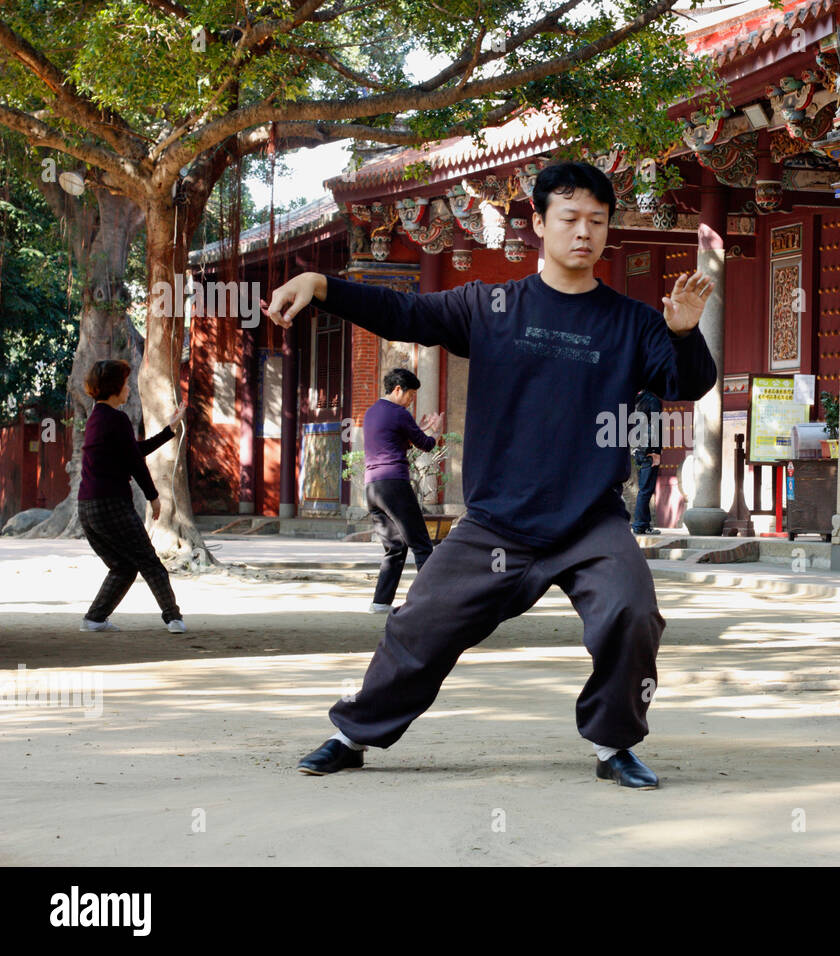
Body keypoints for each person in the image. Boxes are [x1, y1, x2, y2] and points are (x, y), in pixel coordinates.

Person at [262, 160, 716, 789]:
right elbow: (404, 314)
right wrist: (321, 283)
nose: (584, 232)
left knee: (631, 611)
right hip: (498, 523)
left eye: (597, 221)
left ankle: (614, 744)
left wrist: (684, 332)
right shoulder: (490, 305)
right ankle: (353, 733)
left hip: (591, 524)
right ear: (538, 223)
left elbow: (685, 382)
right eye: (570, 218)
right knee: (419, 622)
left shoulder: (631, 323)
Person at [76, 359, 187, 633]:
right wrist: (153, 497)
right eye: (126, 383)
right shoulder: (117, 418)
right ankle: (173, 618)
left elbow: (132, 452)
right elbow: (136, 464)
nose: (129, 389)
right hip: (111, 504)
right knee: (149, 561)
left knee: (123, 566)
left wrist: (169, 431)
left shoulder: (96, 418)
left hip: (87, 508)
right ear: (115, 387)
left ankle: (95, 619)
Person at [363, 367, 445, 613]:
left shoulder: (371, 412)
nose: (411, 400)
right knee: (421, 543)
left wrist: (415, 430)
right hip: (394, 483)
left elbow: (393, 443)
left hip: (371, 488)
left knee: (395, 546)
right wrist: (435, 431)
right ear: (397, 389)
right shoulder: (399, 413)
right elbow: (426, 446)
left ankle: (380, 603)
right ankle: (432, 601)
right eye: (410, 395)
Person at [630, 388, 662, 535]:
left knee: (643, 488)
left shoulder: (633, 400)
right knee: (646, 489)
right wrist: (655, 451)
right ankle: (640, 525)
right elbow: (656, 426)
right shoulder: (652, 400)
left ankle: (644, 524)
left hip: (636, 448)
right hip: (649, 449)